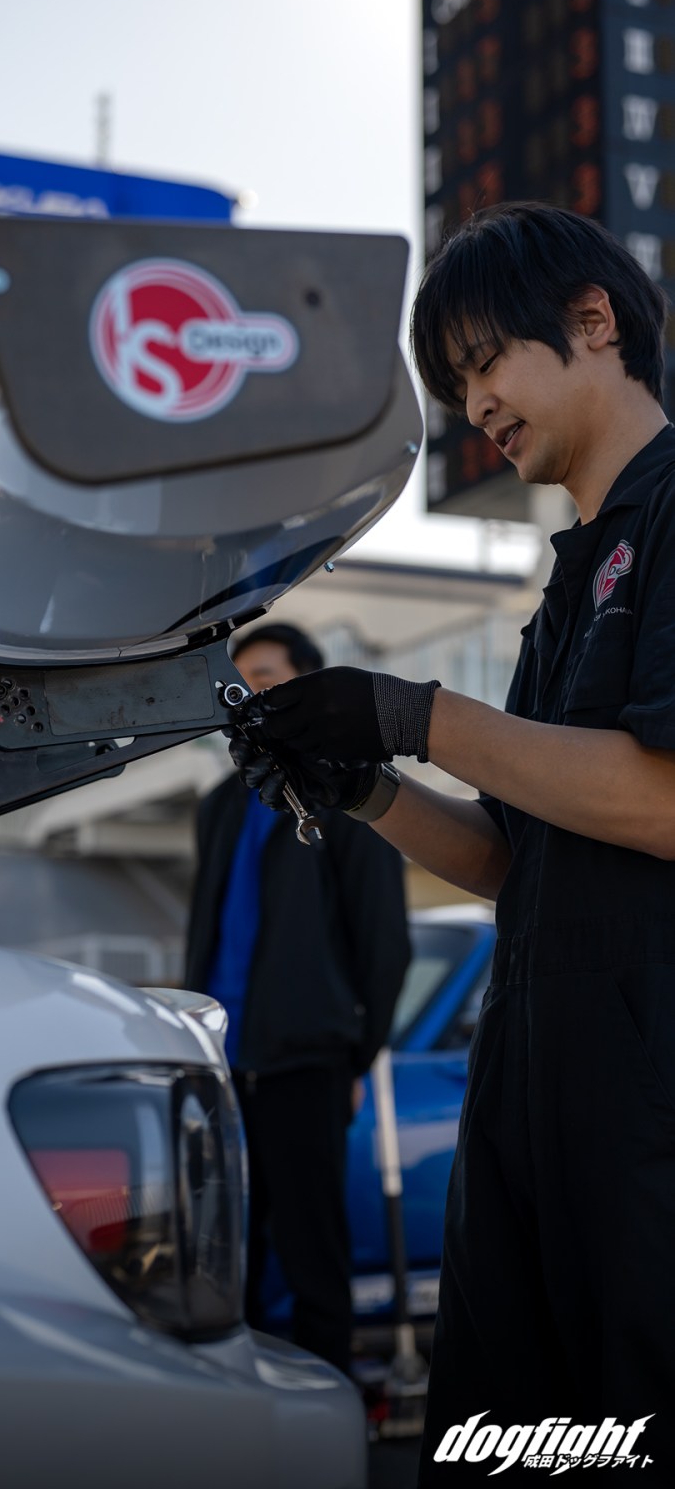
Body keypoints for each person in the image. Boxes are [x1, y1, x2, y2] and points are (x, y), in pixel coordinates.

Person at [229, 204, 675, 1482]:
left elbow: (660, 803)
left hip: (648, 1123)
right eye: (457, 382)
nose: (473, 402)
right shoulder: (569, 579)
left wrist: (413, 709)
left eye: (487, 362)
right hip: (527, 1106)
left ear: (593, 322)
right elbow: (509, 857)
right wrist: (366, 783)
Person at [185, 622, 410, 1376]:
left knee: (315, 1257)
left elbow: (383, 941)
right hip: (222, 1064)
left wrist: (355, 1051)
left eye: (272, 677)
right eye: (244, 682)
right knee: (226, 1257)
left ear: (310, 685)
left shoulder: (351, 789)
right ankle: (243, 1419)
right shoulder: (219, 803)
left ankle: (334, 1417)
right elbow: (206, 929)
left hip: (306, 1060)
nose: (256, 695)